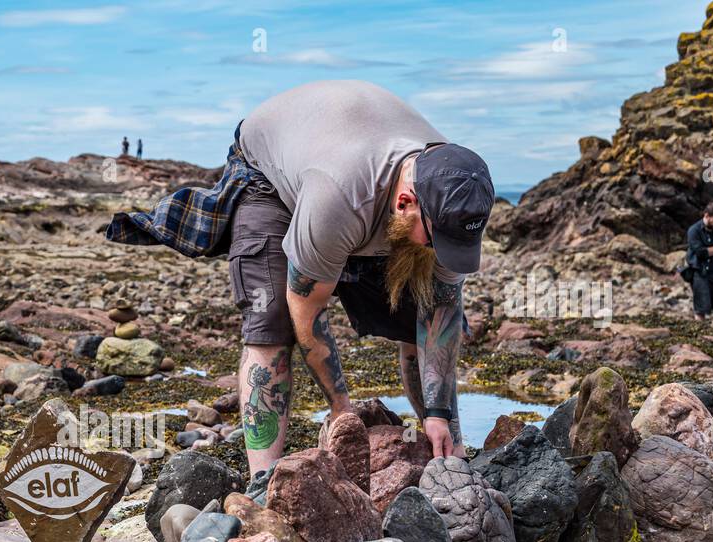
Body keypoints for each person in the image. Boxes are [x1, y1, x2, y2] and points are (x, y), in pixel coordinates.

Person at [106, 80, 494, 478]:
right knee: (271, 322)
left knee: (417, 314)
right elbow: (306, 309)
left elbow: (440, 316)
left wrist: (440, 416)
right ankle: (264, 480)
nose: (439, 251)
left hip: (347, 154)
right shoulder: (340, 195)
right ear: (405, 203)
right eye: (435, 240)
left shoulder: (456, 193)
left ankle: (446, 451)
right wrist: (343, 411)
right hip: (268, 172)